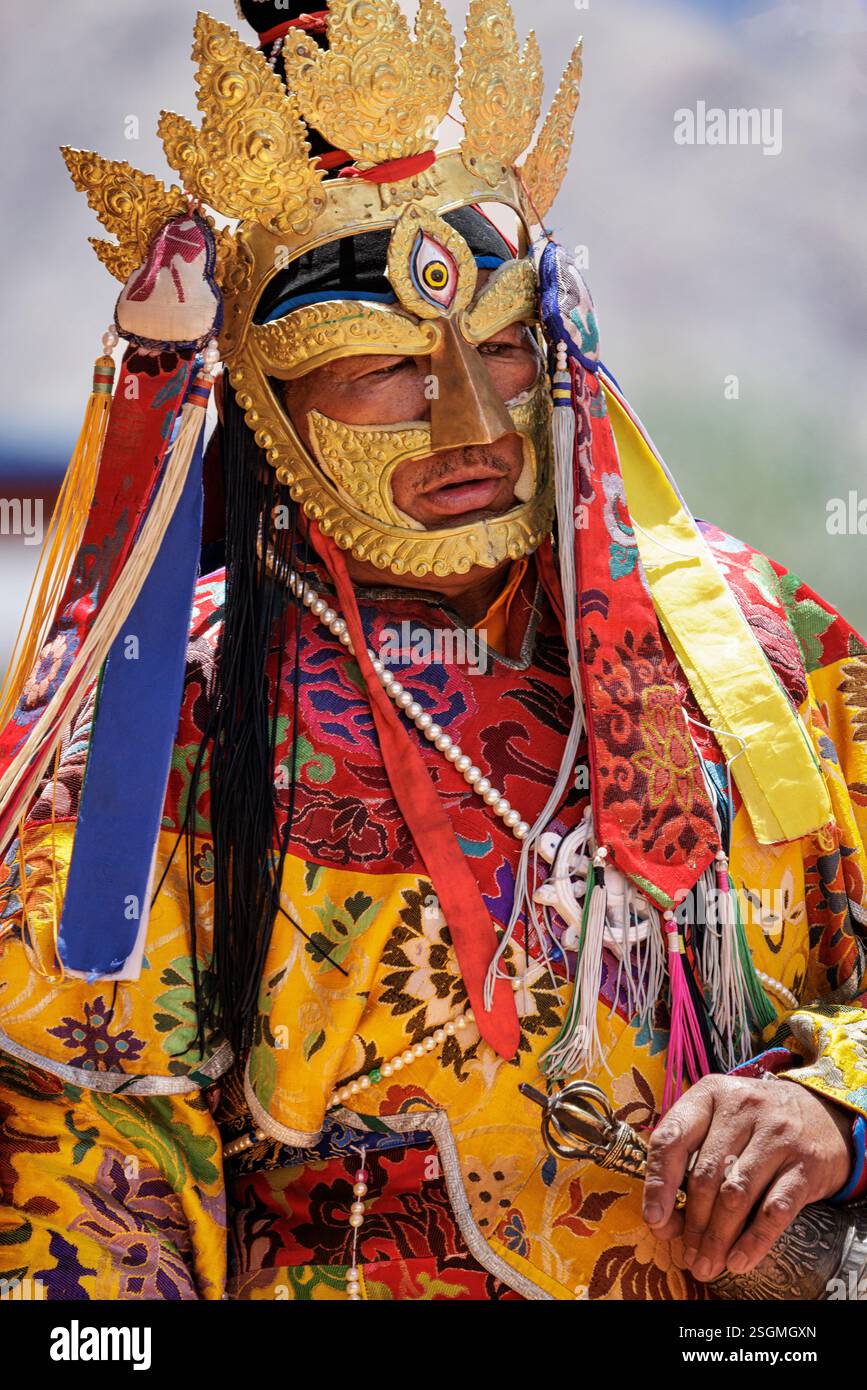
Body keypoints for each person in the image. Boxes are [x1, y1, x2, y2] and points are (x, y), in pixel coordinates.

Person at [0, 0, 865, 1303]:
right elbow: (89, 1182)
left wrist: (833, 1105)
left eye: (504, 343)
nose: (467, 415)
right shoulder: (158, 722)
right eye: (375, 362)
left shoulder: (765, 640)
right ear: (268, 403)